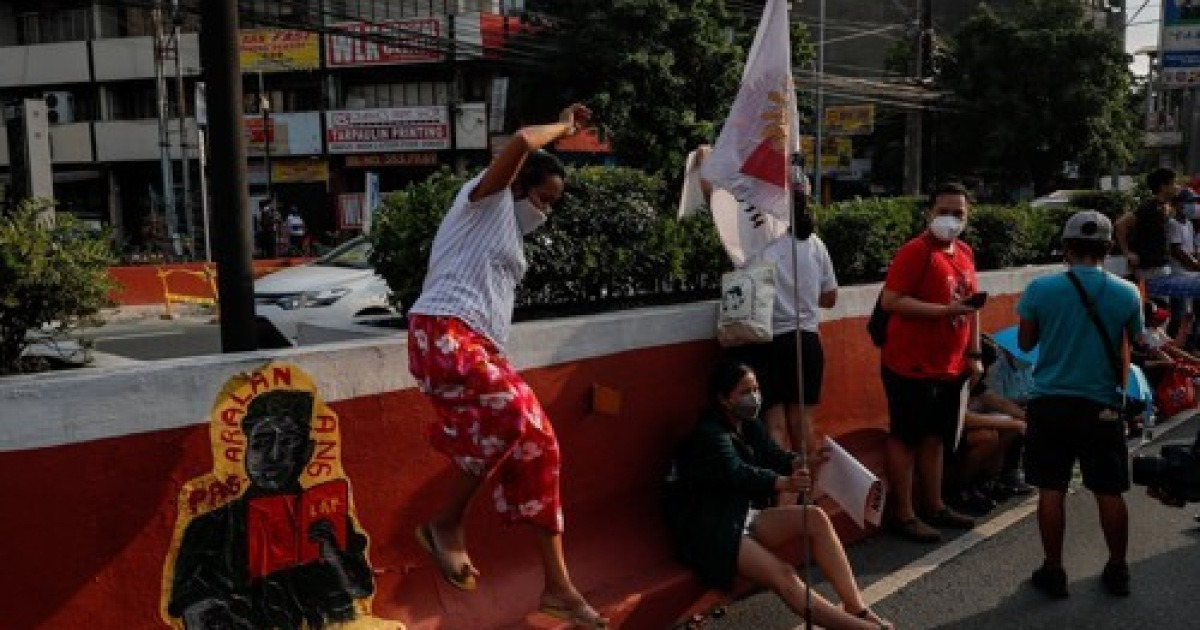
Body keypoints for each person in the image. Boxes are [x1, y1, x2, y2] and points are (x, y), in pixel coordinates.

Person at [405, 103, 607, 628]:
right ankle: (447, 524)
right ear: (520, 186)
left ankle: (557, 586)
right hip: (443, 332)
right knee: (516, 417)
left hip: (479, 347)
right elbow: (519, 142)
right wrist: (563, 127)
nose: (547, 209)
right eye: (544, 197)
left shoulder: (510, 236)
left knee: (541, 444)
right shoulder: (483, 200)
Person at [666, 361, 893, 630]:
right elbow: (737, 473)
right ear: (722, 398)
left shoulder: (748, 425)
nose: (754, 397)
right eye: (744, 391)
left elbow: (774, 456)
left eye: (756, 389)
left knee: (815, 517)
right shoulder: (710, 435)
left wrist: (808, 460)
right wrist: (784, 483)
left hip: (740, 515)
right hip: (715, 529)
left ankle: (856, 609)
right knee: (784, 575)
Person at [167, 391, 376, 629]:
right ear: (246, 450)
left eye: (288, 443)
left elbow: (360, 590)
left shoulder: (325, 521)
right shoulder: (210, 528)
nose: (274, 456)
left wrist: (334, 556)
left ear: (307, 452)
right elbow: (198, 617)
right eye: (261, 443)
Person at [1017, 210, 1144, 599]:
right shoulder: (1126, 293)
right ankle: (1118, 568)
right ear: (1108, 249)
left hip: (1050, 403)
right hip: (1102, 405)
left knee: (1051, 489)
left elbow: (1025, 344)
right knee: (1109, 491)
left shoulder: (1040, 289)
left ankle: (1054, 571)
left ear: (1067, 248)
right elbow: (1134, 342)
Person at [879, 182, 983, 543]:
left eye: (959, 213)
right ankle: (903, 513)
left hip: (950, 365)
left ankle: (934, 504)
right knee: (906, 437)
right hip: (910, 364)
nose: (951, 219)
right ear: (928, 213)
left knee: (936, 437)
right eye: (944, 211)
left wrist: (973, 354)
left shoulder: (965, 253)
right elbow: (892, 301)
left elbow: (972, 308)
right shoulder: (915, 252)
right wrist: (943, 311)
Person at [732, 177, 838, 472]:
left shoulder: (758, 245)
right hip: (806, 341)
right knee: (804, 427)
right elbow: (830, 298)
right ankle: (808, 496)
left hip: (767, 343)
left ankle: (783, 499)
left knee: (774, 426)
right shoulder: (814, 244)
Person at [943, 336, 1031, 517]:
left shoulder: (976, 382)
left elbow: (999, 403)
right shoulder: (954, 380)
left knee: (1011, 427)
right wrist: (1009, 421)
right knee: (987, 437)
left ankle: (989, 480)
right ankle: (960, 488)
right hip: (946, 437)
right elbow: (962, 419)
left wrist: (1026, 419)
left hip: (962, 430)